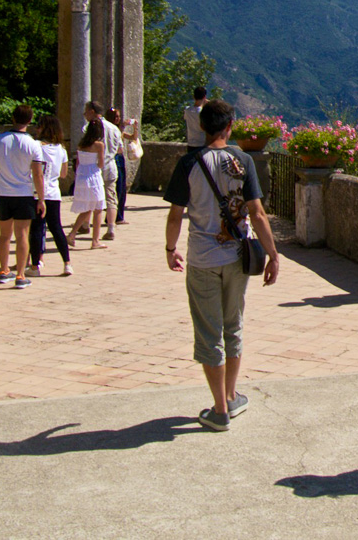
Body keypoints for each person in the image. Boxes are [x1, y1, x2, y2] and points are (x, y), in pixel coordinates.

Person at [164, 99, 281, 431]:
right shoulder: (242, 161)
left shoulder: (189, 163)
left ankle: (219, 410)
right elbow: (257, 214)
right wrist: (273, 254)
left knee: (208, 330)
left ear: (202, 127)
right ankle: (230, 396)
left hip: (202, 258)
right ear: (230, 126)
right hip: (236, 257)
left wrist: (170, 249)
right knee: (234, 325)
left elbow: (175, 214)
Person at [0, 104, 47, 290]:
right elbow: (37, 174)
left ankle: (4, 270)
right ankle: (20, 275)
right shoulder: (33, 144)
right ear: (30, 121)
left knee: (4, 235)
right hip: (23, 193)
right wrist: (42, 199)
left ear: (13, 118)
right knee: (22, 235)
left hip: (2, 192)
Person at [28, 115, 72, 277]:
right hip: (54, 193)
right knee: (56, 228)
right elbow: (63, 173)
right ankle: (67, 263)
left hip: (37, 193)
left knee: (37, 230)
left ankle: (35, 266)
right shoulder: (61, 149)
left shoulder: (37, 147)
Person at [85, 102, 123, 240]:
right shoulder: (114, 128)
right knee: (111, 197)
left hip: (94, 166)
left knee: (92, 197)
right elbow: (120, 149)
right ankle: (111, 228)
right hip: (111, 165)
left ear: (92, 111)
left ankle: (85, 224)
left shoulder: (89, 127)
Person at [70, 119, 108, 249]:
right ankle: (95, 240)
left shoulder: (81, 144)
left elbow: (78, 162)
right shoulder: (99, 145)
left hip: (82, 176)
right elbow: (101, 163)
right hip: (93, 177)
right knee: (98, 208)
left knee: (88, 208)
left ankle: (72, 233)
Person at [107, 107, 135, 226]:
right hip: (114, 158)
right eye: (116, 116)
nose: (118, 119)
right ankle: (115, 216)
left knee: (122, 188)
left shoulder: (119, 130)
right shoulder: (112, 130)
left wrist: (135, 126)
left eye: (119, 116)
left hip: (120, 158)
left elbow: (133, 137)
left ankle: (118, 215)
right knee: (117, 188)